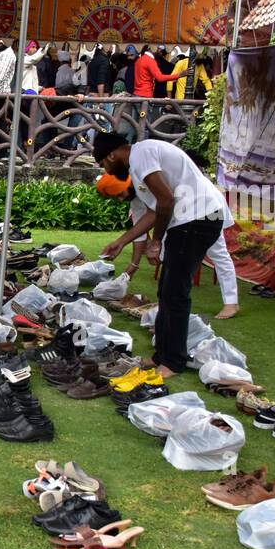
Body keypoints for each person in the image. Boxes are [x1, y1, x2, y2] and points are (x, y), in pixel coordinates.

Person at [94, 132, 233, 377]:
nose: (107, 169)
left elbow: (166, 200)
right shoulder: (138, 164)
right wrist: (122, 242)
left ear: (112, 155)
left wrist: (156, 241)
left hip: (198, 219)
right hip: (189, 221)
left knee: (176, 292)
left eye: (104, 164)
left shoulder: (142, 153)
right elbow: (152, 212)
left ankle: (173, 362)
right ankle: (163, 355)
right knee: (166, 291)